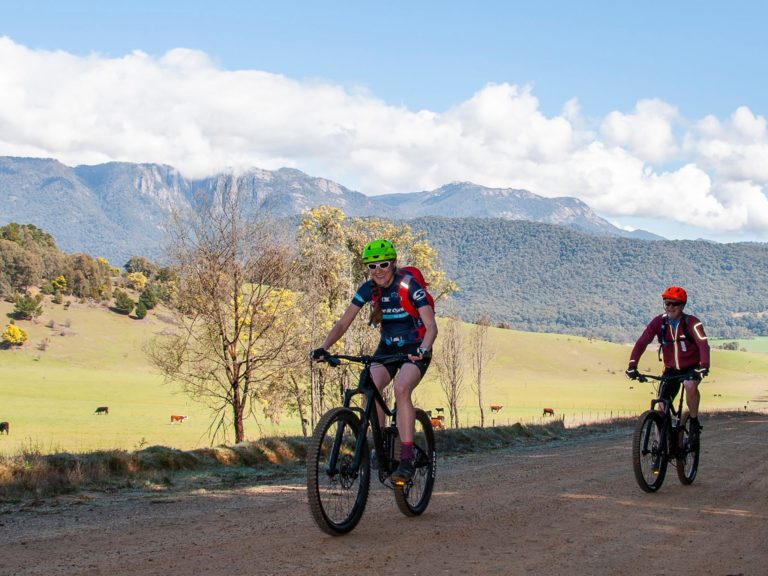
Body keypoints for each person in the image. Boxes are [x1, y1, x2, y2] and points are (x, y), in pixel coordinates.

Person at [311, 239, 438, 484]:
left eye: (383, 264)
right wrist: (324, 348)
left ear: (393, 264)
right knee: (369, 385)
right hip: (388, 347)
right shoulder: (368, 289)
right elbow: (342, 323)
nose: (377, 270)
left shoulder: (410, 286)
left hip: (416, 347)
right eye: (371, 266)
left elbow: (431, 326)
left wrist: (422, 349)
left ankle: (407, 457)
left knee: (402, 388)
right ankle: (381, 447)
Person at [626, 286, 710, 443]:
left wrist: (704, 365)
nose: (670, 307)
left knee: (690, 385)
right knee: (662, 406)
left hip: (692, 367)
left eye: (675, 304)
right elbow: (642, 342)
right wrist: (632, 365)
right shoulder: (659, 322)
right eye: (667, 303)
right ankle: (660, 446)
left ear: (682, 306)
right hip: (671, 369)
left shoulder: (692, 323)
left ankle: (693, 421)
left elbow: (703, 344)